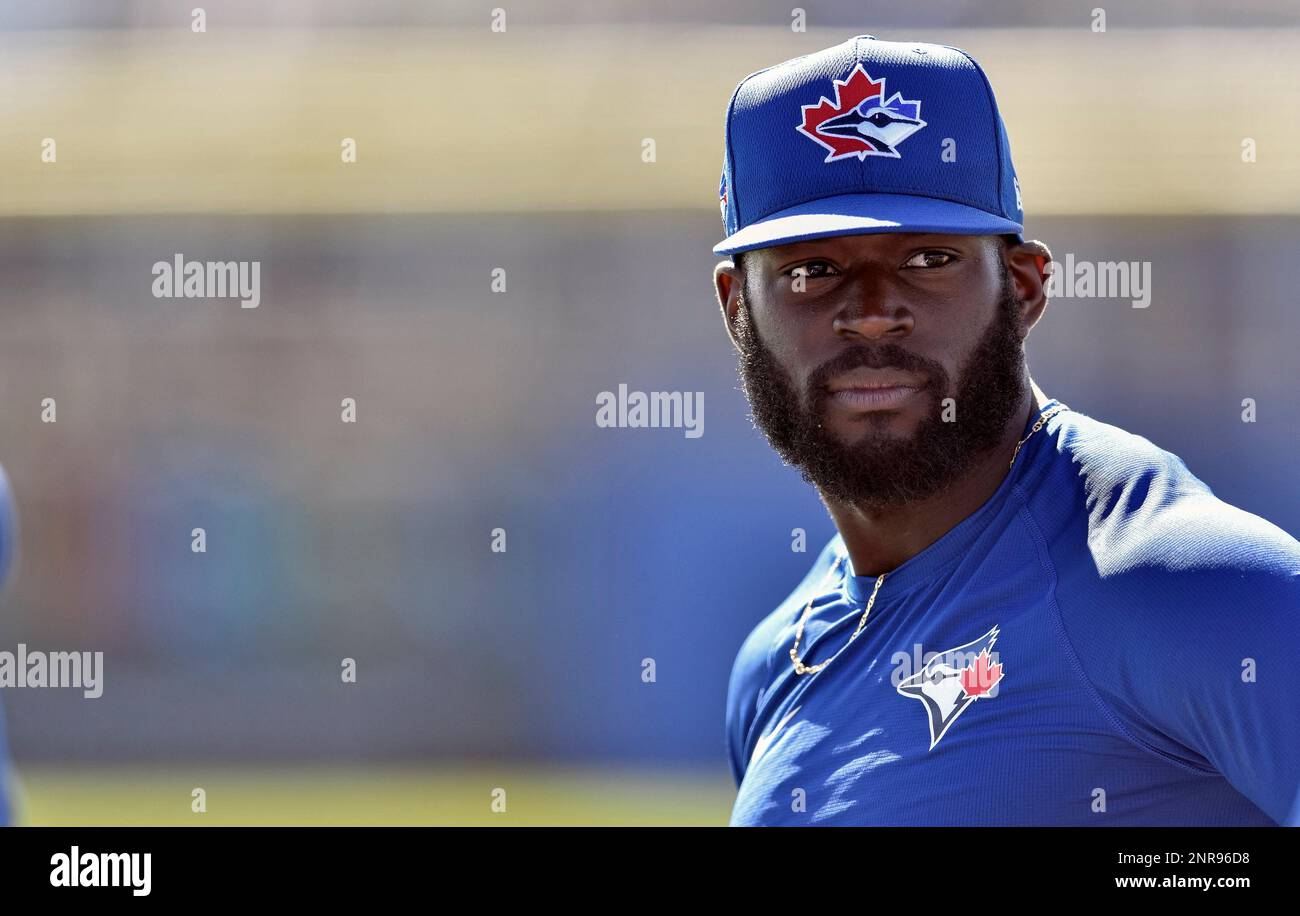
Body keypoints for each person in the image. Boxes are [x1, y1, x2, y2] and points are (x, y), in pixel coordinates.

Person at [713, 35, 1300, 826]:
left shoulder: (1194, 587)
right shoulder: (773, 664)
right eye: (813, 271)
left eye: (927, 258)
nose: (874, 309)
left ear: (1021, 288)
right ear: (737, 308)